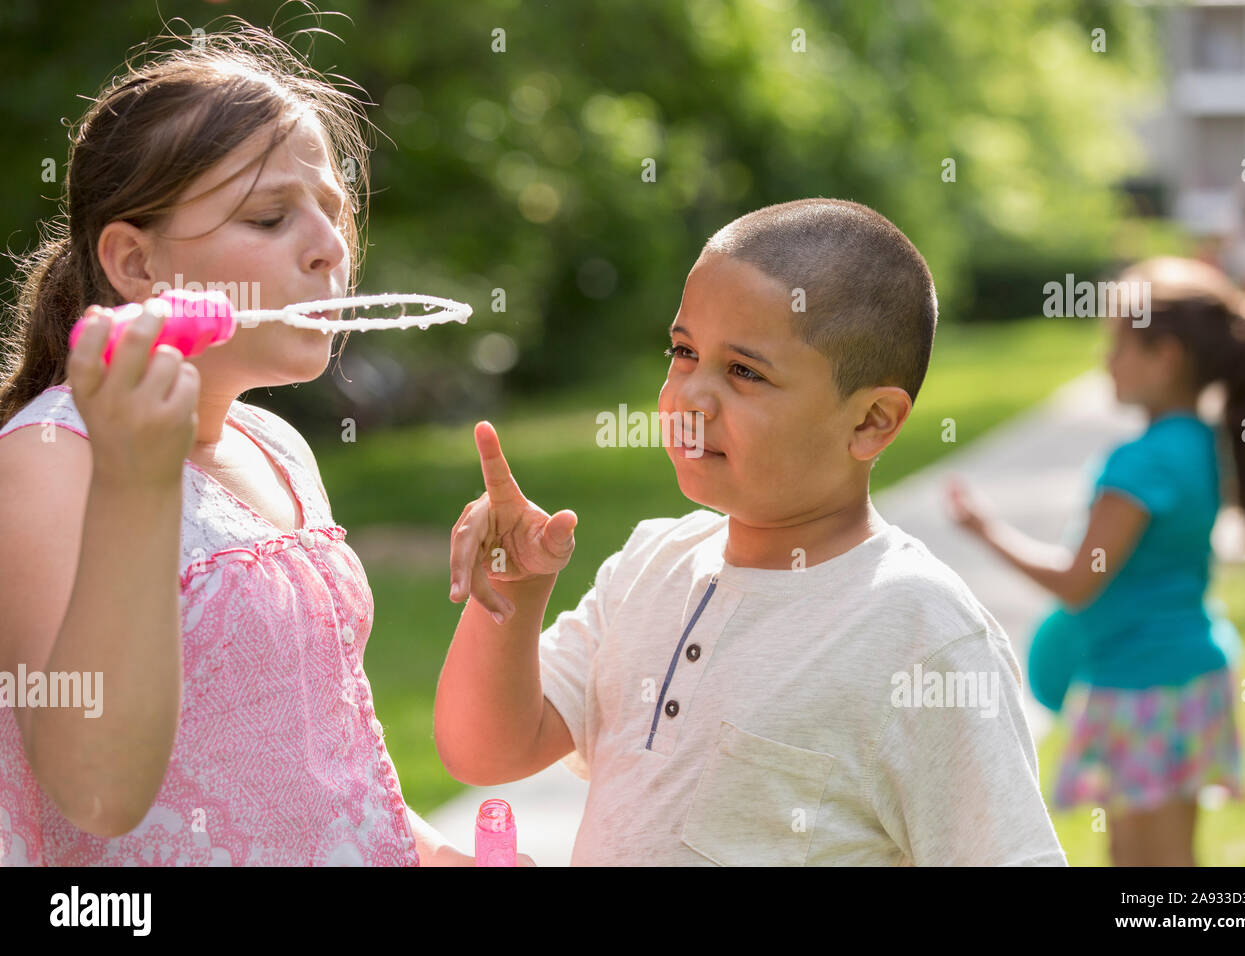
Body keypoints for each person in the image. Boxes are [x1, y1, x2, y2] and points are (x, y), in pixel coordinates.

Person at [434, 198, 1069, 866]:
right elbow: (488, 748)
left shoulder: (918, 630)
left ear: (871, 421)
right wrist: (515, 589)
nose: (689, 397)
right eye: (683, 353)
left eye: (744, 371)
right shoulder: (652, 565)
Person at [0, 24, 494, 865]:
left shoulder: (274, 449)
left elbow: (322, 775)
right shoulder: (49, 462)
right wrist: (137, 484)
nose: (331, 247)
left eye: (334, 212)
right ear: (136, 263)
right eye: (269, 217)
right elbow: (97, 792)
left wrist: (445, 859)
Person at [946, 257, 1245, 866]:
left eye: (1118, 345)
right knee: (1172, 870)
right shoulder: (1203, 444)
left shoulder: (1141, 465)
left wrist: (985, 531)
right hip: (1192, 675)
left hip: (1143, 690)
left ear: (1165, 358)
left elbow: (1079, 582)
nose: (1106, 361)